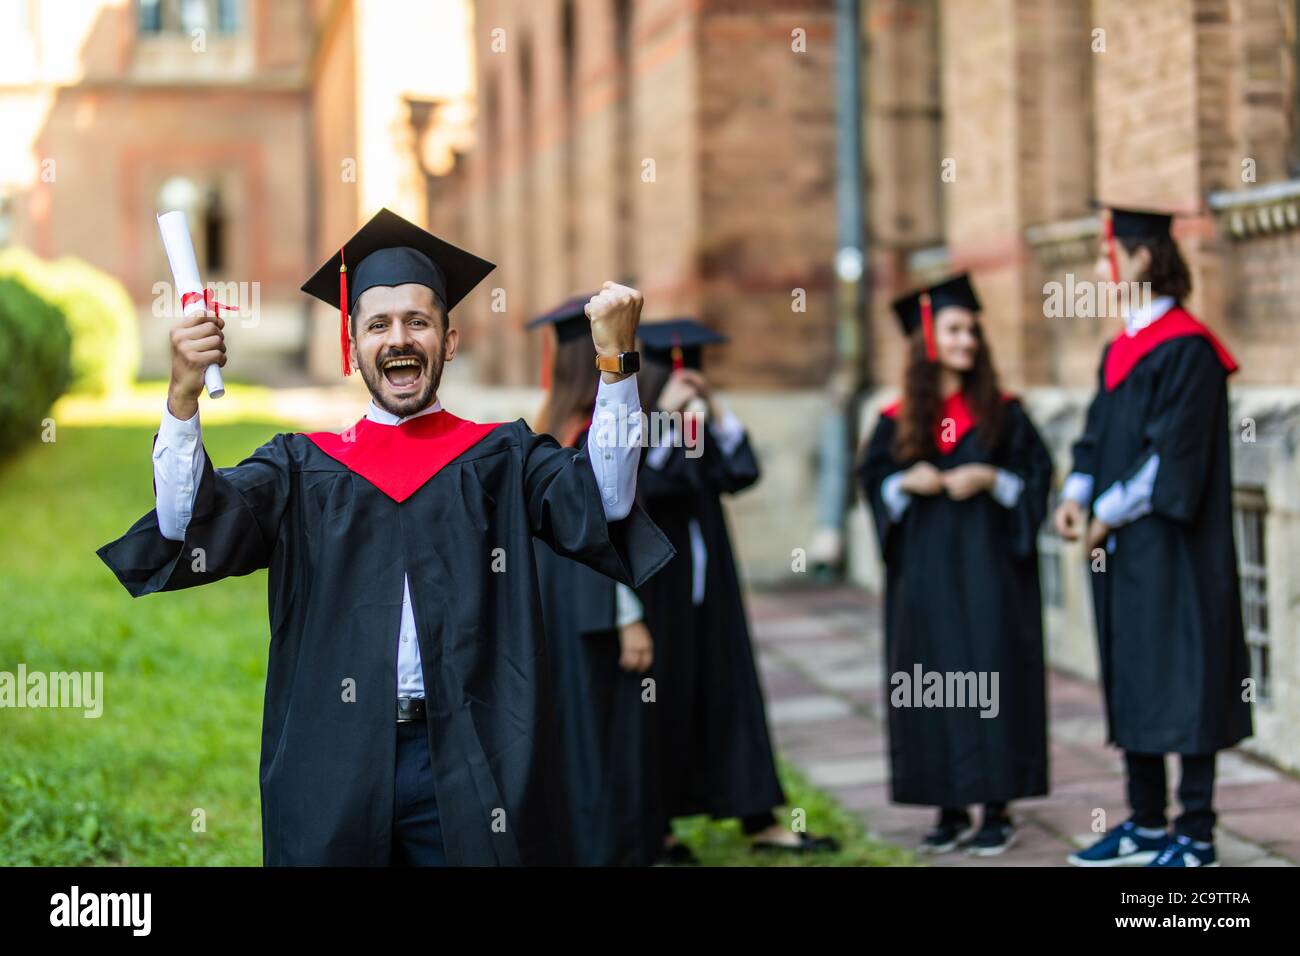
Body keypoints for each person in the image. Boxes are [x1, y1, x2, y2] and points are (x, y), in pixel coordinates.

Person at [97, 208, 673, 866]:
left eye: (418, 322)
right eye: (378, 324)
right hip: (332, 757)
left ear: (448, 341)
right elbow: (184, 523)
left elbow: (606, 499)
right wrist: (181, 396)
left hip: (473, 752)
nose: (399, 339)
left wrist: (617, 365)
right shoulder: (300, 467)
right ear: (353, 346)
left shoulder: (501, 457)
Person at [1059, 205, 1252, 868]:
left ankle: (1194, 833)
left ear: (1142, 258)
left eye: (1105, 252)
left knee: (1189, 676)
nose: (1097, 267)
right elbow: (1094, 435)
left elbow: (1174, 457)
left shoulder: (1189, 350)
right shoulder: (1120, 349)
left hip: (1176, 548)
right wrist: (1074, 494)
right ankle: (1144, 823)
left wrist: (1106, 512)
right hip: (1123, 552)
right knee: (1134, 675)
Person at [858, 273, 1053, 857]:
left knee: (992, 673)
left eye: (972, 330)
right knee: (931, 677)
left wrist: (991, 478)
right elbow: (872, 484)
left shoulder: (1002, 414)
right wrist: (902, 482)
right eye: (955, 329)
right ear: (927, 338)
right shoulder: (896, 421)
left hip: (991, 575)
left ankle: (995, 806)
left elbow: (1039, 477)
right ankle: (946, 804)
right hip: (925, 578)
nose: (968, 340)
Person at [634, 320, 839, 862]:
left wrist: (714, 411)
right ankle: (661, 829)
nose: (691, 383)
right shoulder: (633, 429)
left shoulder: (696, 428)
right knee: (665, 702)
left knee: (731, 695)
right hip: (660, 593)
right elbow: (643, 483)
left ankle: (759, 817)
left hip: (710, 591)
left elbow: (740, 472)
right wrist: (663, 419)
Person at [527, 294, 666, 866]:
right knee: (604, 737)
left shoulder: (546, 425)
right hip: (593, 605)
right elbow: (611, 523)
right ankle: (609, 848)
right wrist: (631, 616)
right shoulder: (592, 430)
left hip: (556, 605)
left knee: (572, 735)